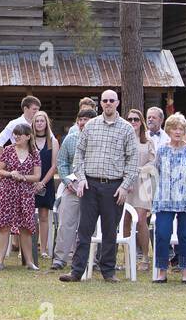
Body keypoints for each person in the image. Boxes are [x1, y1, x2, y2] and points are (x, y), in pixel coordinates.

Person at [59, 89, 137, 284]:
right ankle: (76, 271)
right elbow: (79, 156)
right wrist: (81, 179)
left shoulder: (126, 128)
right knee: (84, 230)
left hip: (114, 186)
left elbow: (132, 160)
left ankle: (108, 272)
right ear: (100, 104)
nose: (108, 103)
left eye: (112, 100)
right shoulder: (90, 126)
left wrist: (125, 186)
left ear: (117, 103)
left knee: (110, 230)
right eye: (105, 101)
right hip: (90, 185)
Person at [152, 114, 186, 283]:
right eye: (174, 128)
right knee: (162, 234)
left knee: (185, 235)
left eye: (181, 129)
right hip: (165, 199)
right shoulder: (162, 150)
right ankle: (162, 272)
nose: (178, 131)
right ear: (168, 130)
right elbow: (157, 171)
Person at [0, 123, 41, 269]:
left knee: (25, 228)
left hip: (25, 194)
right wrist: (11, 174)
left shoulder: (34, 153)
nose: (16, 136)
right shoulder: (8, 150)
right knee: (4, 227)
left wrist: (23, 177)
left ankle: (29, 262)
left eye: (20, 134)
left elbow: (37, 176)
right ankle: (0, 261)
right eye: (15, 134)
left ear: (28, 136)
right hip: (7, 192)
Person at [51, 106, 94, 270]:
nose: (83, 123)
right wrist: (68, 182)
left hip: (92, 187)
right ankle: (60, 258)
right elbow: (62, 162)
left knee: (90, 226)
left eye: (86, 120)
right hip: (72, 187)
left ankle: (91, 260)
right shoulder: (70, 139)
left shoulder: (98, 140)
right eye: (80, 120)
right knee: (66, 223)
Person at [123, 108, 155, 270]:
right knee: (126, 220)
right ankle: (128, 257)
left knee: (141, 220)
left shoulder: (147, 140)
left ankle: (145, 258)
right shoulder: (122, 138)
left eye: (136, 119)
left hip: (143, 183)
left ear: (141, 122)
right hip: (126, 184)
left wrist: (141, 170)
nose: (133, 122)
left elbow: (153, 162)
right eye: (130, 119)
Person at [32, 110, 60, 260]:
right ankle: (29, 247)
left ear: (46, 123)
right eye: (37, 121)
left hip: (46, 182)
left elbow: (54, 165)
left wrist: (42, 183)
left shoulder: (53, 141)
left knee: (43, 216)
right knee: (29, 216)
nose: (39, 123)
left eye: (42, 121)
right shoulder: (29, 140)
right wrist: (33, 181)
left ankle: (43, 249)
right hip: (30, 181)